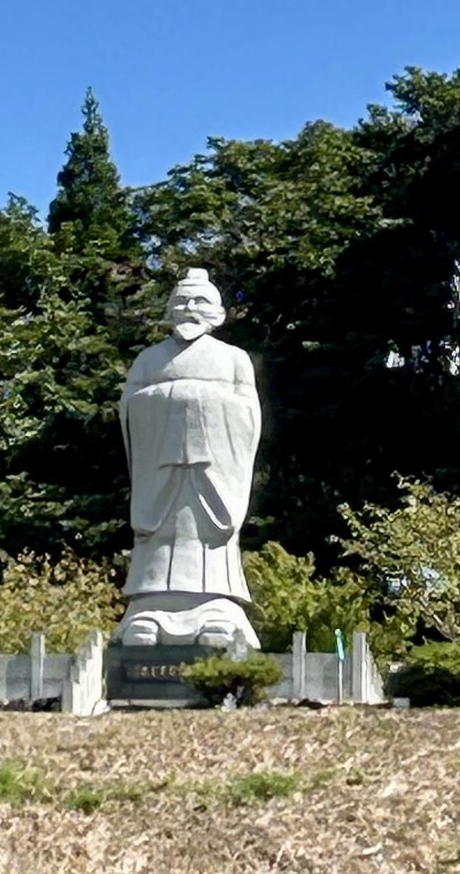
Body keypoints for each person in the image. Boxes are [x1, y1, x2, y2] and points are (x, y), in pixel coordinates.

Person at [115, 268, 262, 647]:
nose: (188, 308)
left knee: (207, 536)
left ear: (218, 311)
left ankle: (216, 607)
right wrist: (176, 401)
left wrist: (196, 401)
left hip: (213, 474)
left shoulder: (233, 359)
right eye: (180, 301)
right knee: (161, 536)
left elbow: (248, 416)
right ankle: (149, 609)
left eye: (199, 301)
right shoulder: (149, 360)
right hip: (160, 470)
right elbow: (129, 410)